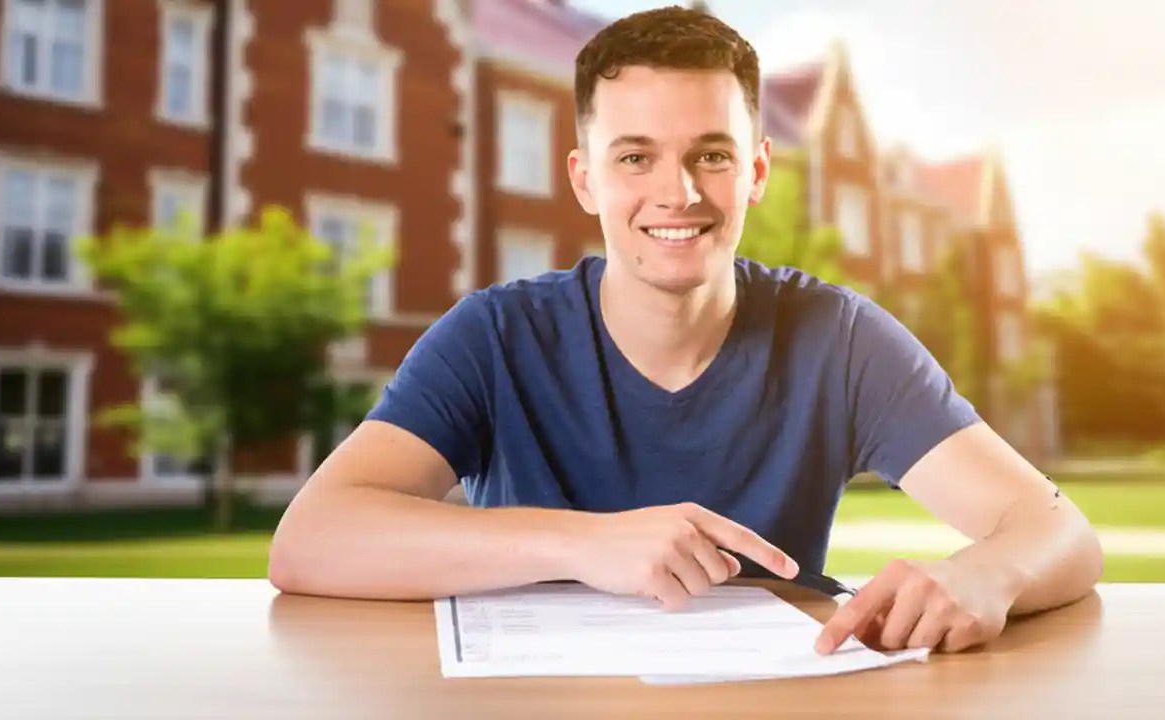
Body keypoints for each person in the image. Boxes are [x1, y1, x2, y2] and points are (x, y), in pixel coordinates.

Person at [269, 5, 1103, 655]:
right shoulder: (495, 336)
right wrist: (588, 544)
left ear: (757, 171)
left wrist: (984, 574)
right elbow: (311, 541)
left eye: (711, 154)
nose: (679, 193)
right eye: (635, 157)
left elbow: (1058, 531)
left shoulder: (838, 338)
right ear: (585, 179)